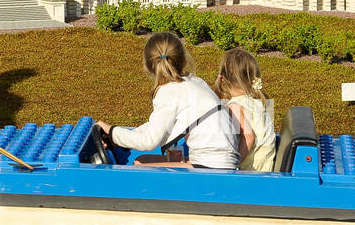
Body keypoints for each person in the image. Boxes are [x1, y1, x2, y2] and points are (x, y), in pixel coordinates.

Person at [94, 31, 239, 170]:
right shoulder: (196, 82)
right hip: (222, 162)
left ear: (149, 67)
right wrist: (116, 136)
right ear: (184, 59)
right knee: (143, 159)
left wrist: (111, 131)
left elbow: (148, 140)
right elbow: (157, 128)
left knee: (139, 166)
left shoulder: (168, 91)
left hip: (210, 166)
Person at [216, 47, 276, 172]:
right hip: (265, 164)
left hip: (251, 170)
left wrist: (233, 164)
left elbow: (249, 137)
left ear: (223, 79)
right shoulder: (258, 101)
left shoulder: (236, 106)